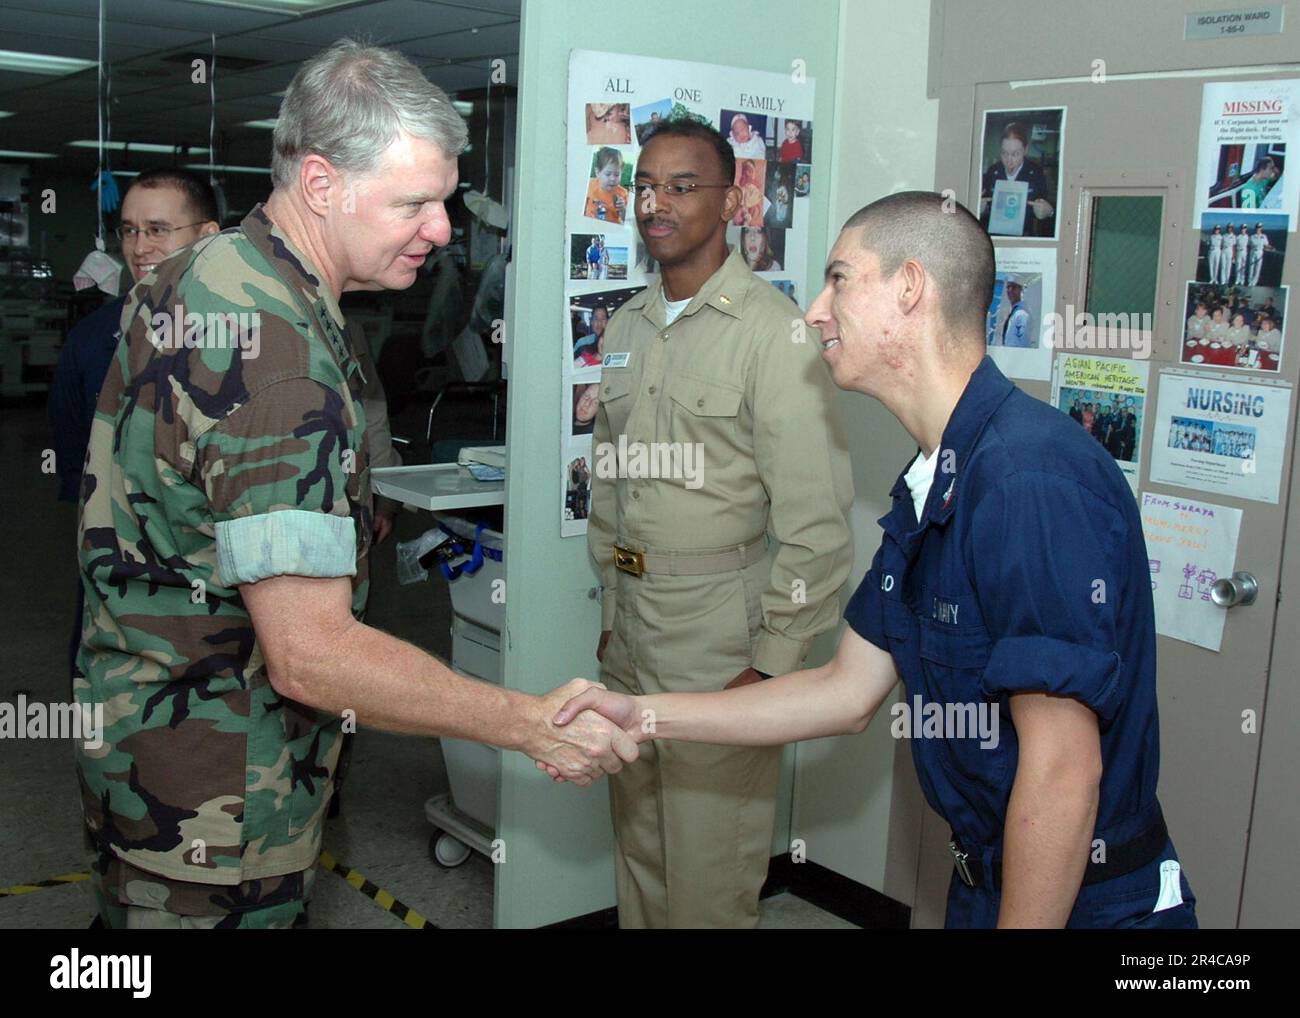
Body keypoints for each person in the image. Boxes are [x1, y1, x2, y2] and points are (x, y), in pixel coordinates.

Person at [75, 39, 636, 931]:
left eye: (445, 201)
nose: (445, 229)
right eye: (414, 203)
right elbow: (313, 655)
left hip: (144, 748)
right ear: (322, 183)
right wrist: (529, 722)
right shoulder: (280, 362)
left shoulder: (205, 270)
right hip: (216, 803)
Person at [559, 191, 1197, 929]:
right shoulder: (932, 482)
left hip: (1085, 902)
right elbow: (843, 691)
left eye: (840, 279)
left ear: (910, 287)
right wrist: (638, 714)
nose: (815, 312)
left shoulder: (1028, 479)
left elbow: (1061, 772)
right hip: (989, 881)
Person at [586, 117, 853, 928]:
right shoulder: (629, 324)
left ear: (734, 201)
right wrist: (610, 608)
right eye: (644, 185)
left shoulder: (776, 336)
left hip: (719, 638)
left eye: (680, 185)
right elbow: (610, 480)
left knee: (707, 873)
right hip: (630, 626)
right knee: (638, 852)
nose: (654, 204)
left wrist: (771, 667)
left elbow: (818, 524)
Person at [50, 168, 222, 683]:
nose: (140, 246)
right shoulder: (91, 342)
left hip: (215, 584)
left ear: (207, 236)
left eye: (158, 229)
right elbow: (78, 478)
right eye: (129, 230)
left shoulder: (240, 338)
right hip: (119, 578)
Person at [979, 122, 1054, 236]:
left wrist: (1049, 212)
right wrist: (979, 209)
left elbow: (1054, 209)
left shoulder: (1037, 173)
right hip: (994, 237)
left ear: (1026, 150)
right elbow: (982, 205)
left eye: (1015, 154)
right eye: (1004, 153)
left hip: (1024, 237)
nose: (1009, 160)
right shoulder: (992, 171)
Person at [585, 146, 629, 224]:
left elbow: (626, 219)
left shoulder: (623, 194)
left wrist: (622, 209)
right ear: (598, 172)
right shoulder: (589, 184)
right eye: (608, 174)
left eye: (617, 174)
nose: (612, 179)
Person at [997, 277, 1031, 347]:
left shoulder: (1022, 315)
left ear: (1020, 290)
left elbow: (1023, 343)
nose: (1010, 290)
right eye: (1008, 287)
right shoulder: (1013, 312)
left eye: (1014, 287)